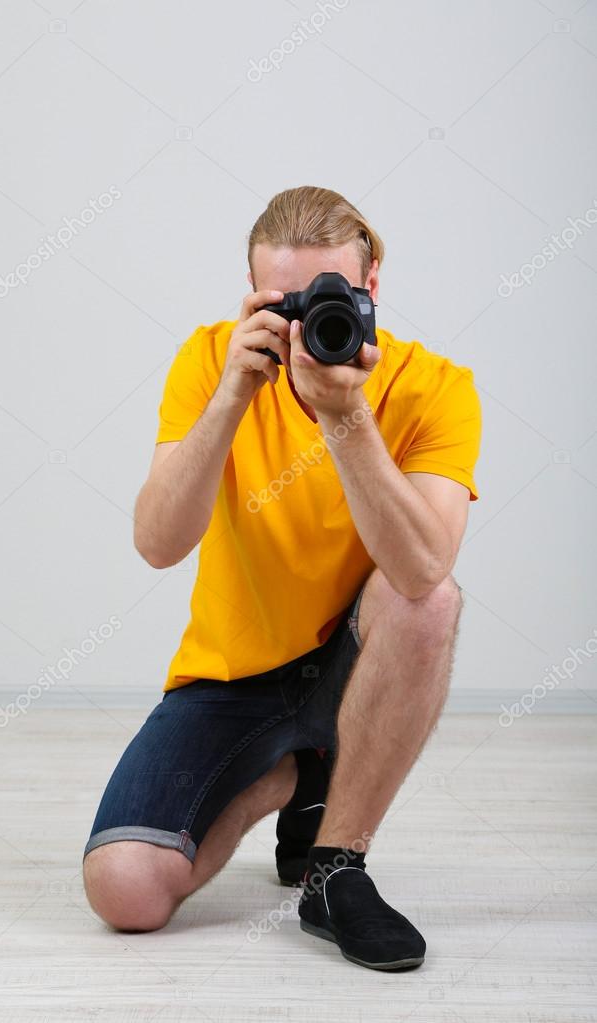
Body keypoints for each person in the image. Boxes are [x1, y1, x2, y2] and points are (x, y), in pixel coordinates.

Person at [82, 185, 482, 971]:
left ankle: (336, 868)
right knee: (123, 889)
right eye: (289, 300)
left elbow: (424, 569)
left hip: (352, 669)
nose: (311, 322)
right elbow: (158, 543)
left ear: (369, 289)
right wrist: (234, 394)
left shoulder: (435, 387)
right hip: (234, 676)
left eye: (330, 297)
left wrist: (343, 418)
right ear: (256, 296)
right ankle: (295, 773)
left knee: (432, 599)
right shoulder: (210, 360)